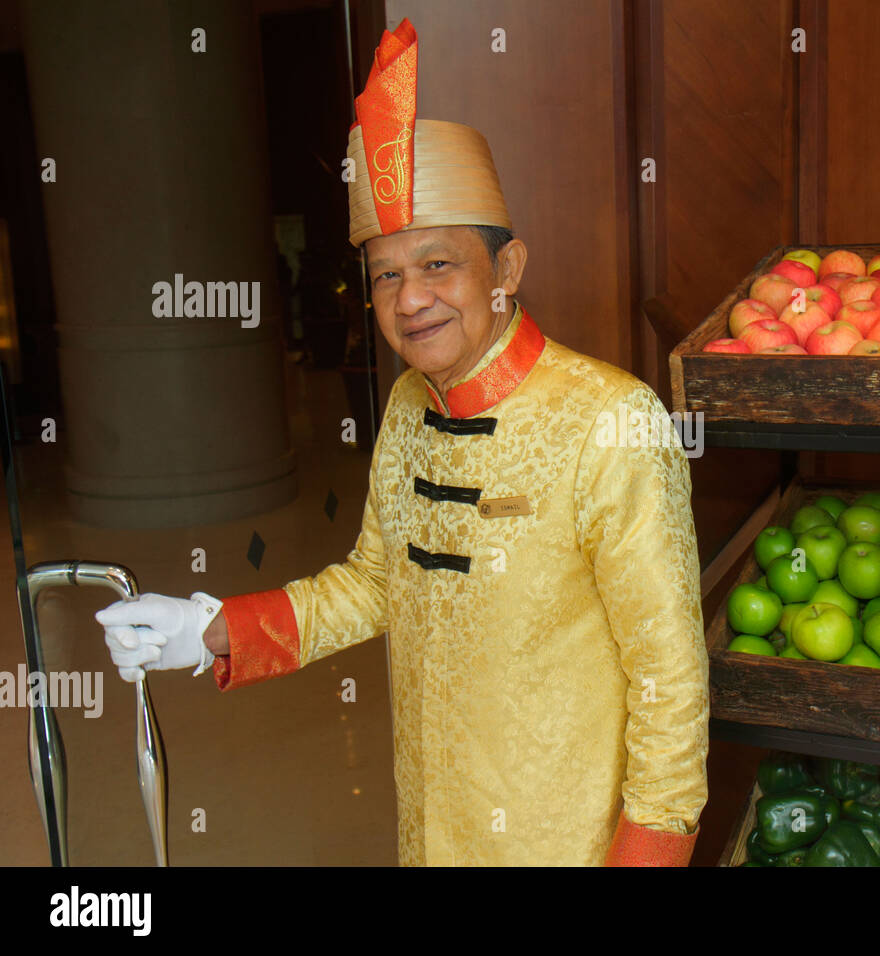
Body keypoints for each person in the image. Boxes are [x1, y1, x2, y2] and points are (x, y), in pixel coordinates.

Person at [96, 19, 708, 866]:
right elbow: (376, 584)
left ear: (508, 270)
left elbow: (670, 681)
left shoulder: (613, 419)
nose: (410, 298)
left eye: (438, 266)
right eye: (386, 274)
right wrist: (208, 630)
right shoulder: (408, 410)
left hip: (565, 841)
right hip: (431, 827)